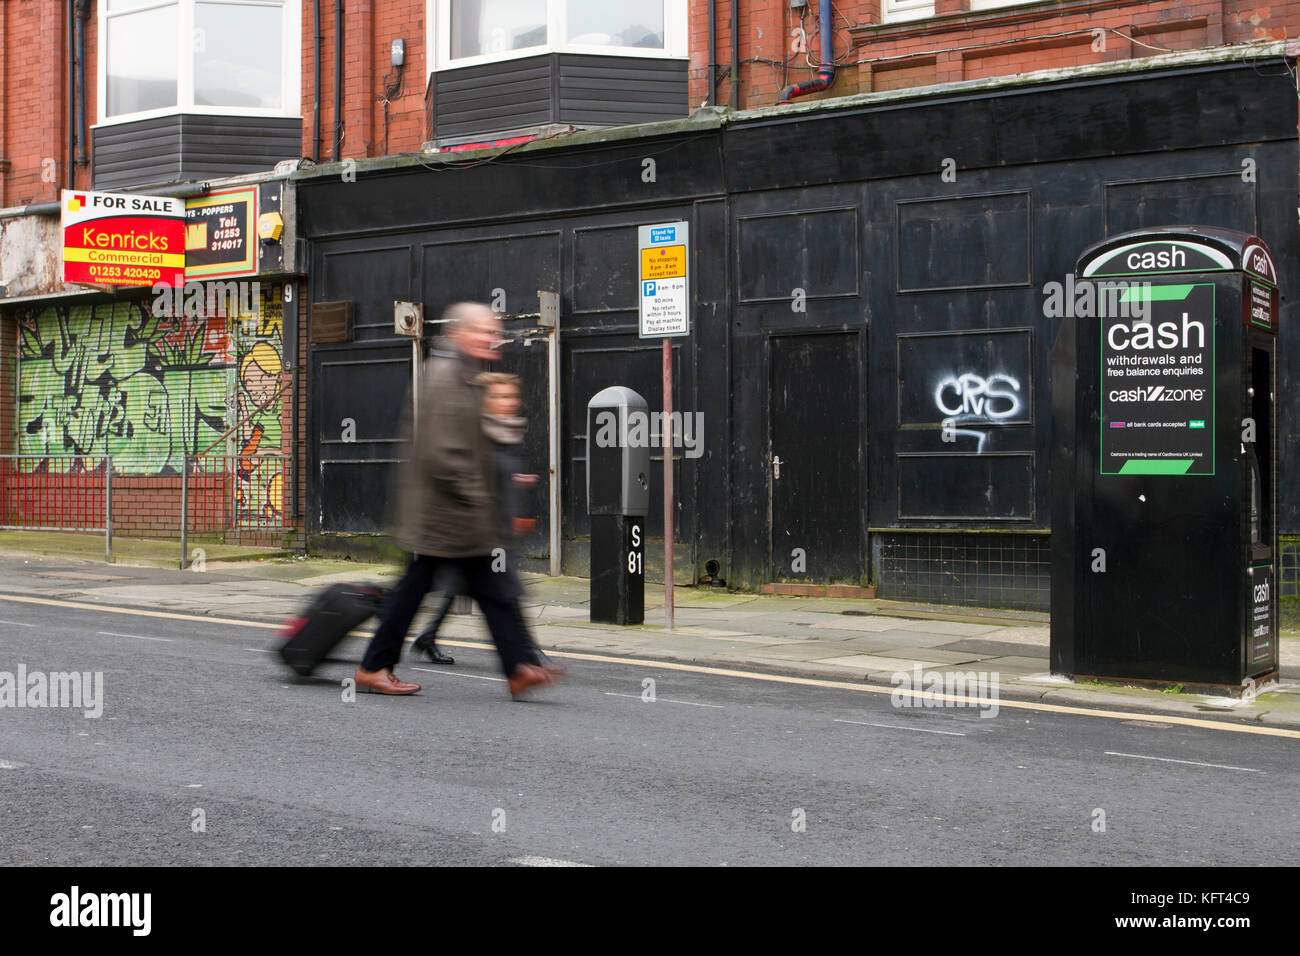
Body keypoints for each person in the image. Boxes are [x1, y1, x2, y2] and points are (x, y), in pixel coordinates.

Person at [354, 302, 557, 698]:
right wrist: (479, 497)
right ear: (460, 333)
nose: (491, 337)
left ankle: (517, 668)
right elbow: (443, 454)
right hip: (442, 516)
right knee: (416, 591)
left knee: (490, 589)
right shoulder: (445, 376)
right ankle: (373, 666)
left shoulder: (465, 374)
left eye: (493, 331)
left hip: (456, 517)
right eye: (482, 332)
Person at [411, 372, 556, 669]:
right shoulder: (480, 434)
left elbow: (498, 475)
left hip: (495, 526)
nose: (509, 403)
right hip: (481, 528)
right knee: (506, 590)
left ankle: (426, 635)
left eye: (512, 396)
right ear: (485, 401)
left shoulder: (506, 432)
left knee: (463, 584)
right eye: (500, 396)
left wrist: (516, 486)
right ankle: (528, 654)